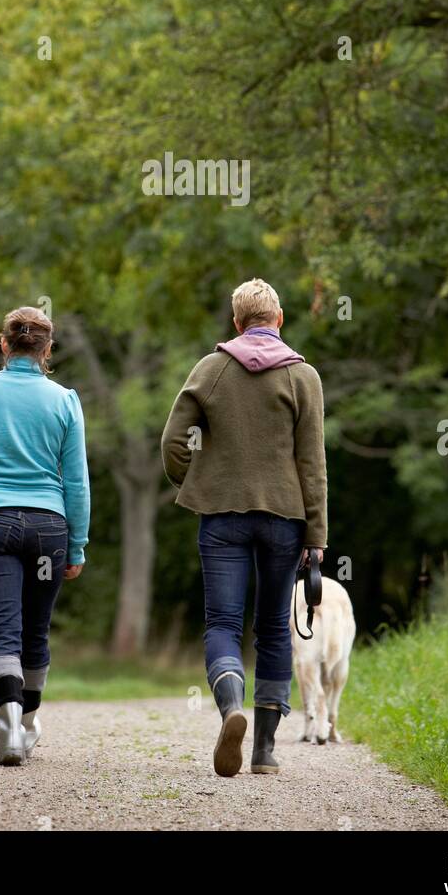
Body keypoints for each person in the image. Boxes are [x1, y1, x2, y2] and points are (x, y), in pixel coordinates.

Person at [161, 278, 327, 778]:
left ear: (236, 323)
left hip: (222, 516)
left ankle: (231, 704)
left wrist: (196, 481)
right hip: (284, 519)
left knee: (222, 624)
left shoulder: (211, 369)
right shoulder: (304, 378)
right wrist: (316, 538)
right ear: (279, 319)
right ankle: (265, 752)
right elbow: (312, 462)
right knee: (274, 627)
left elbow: (173, 442)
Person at [0, 306, 90, 765]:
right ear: (47, 350)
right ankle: (28, 722)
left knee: (1, 629)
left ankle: (6, 723)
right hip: (49, 528)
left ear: (4, 345)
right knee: (35, 631)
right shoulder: (65, 400)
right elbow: (77, 481)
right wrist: (77, 544)